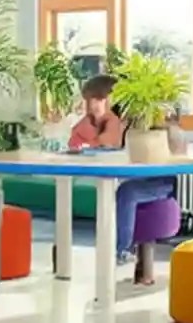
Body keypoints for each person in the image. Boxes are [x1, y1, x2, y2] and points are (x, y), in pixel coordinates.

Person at [68, 75, 173, 283]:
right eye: (91, 101)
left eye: (98, 100)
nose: (93, 106)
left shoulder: (143, 120)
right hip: (134, 175)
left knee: (127, 192)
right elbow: (81, 141)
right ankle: (118, 250)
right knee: (119, 188)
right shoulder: (107, 122)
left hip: (159, 182)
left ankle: (121, 251)